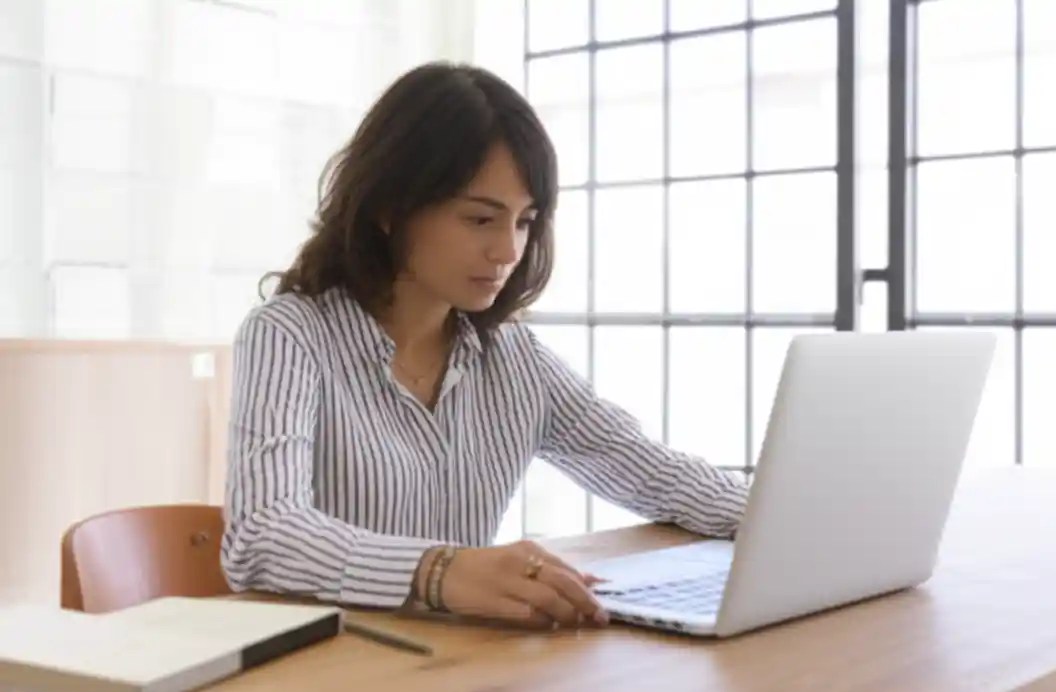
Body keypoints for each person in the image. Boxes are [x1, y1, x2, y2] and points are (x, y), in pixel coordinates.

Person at [220, 62, 749, 630]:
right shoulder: (289, 333)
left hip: (459, 673)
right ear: (389, 209)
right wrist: (438, 571)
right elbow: (262, 534)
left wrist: (808, 517)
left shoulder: (512, 355)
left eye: (525, 222)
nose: (508, 250)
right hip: (334, 674)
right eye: (480, 219)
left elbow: (654, 474)